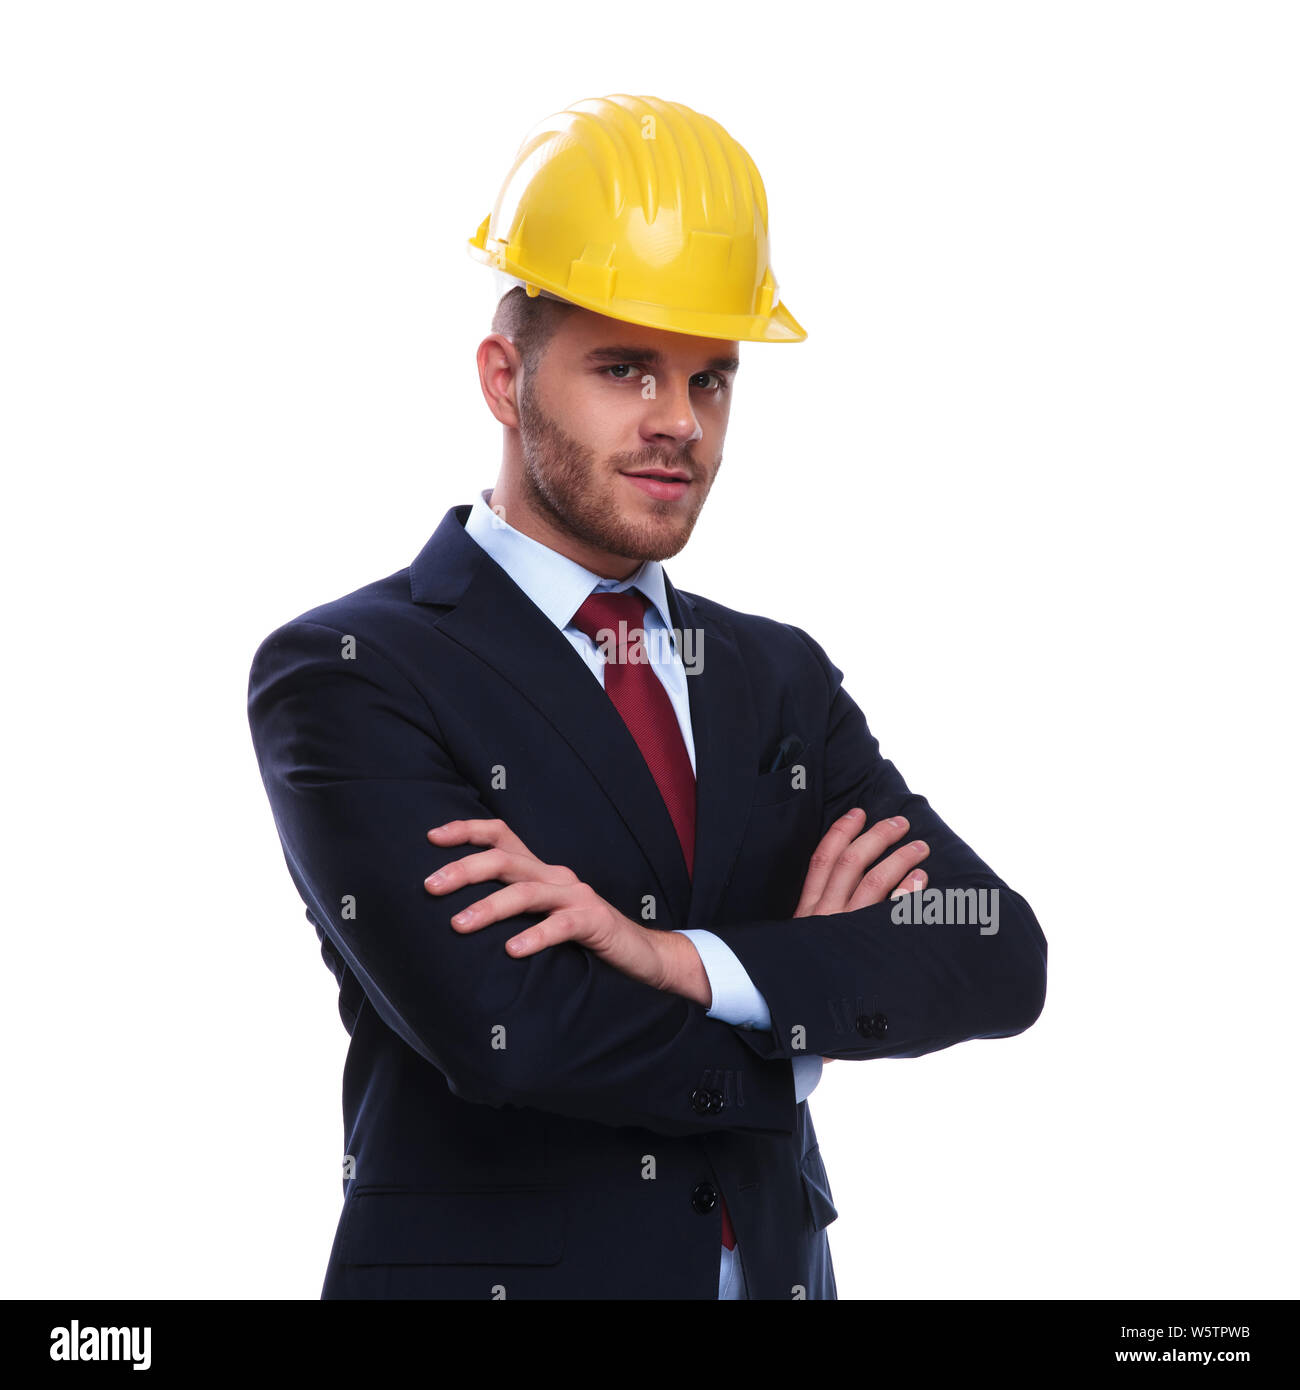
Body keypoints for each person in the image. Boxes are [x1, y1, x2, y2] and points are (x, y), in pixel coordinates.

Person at [246, 93, 1047, 1300]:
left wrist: (682, 960)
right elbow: (505, 1026)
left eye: (711, 379)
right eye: (626, 369)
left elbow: (992, 948)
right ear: (503, 377)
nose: (679, 422)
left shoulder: (775, 678)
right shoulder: (355, 672)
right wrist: (797, 1006)